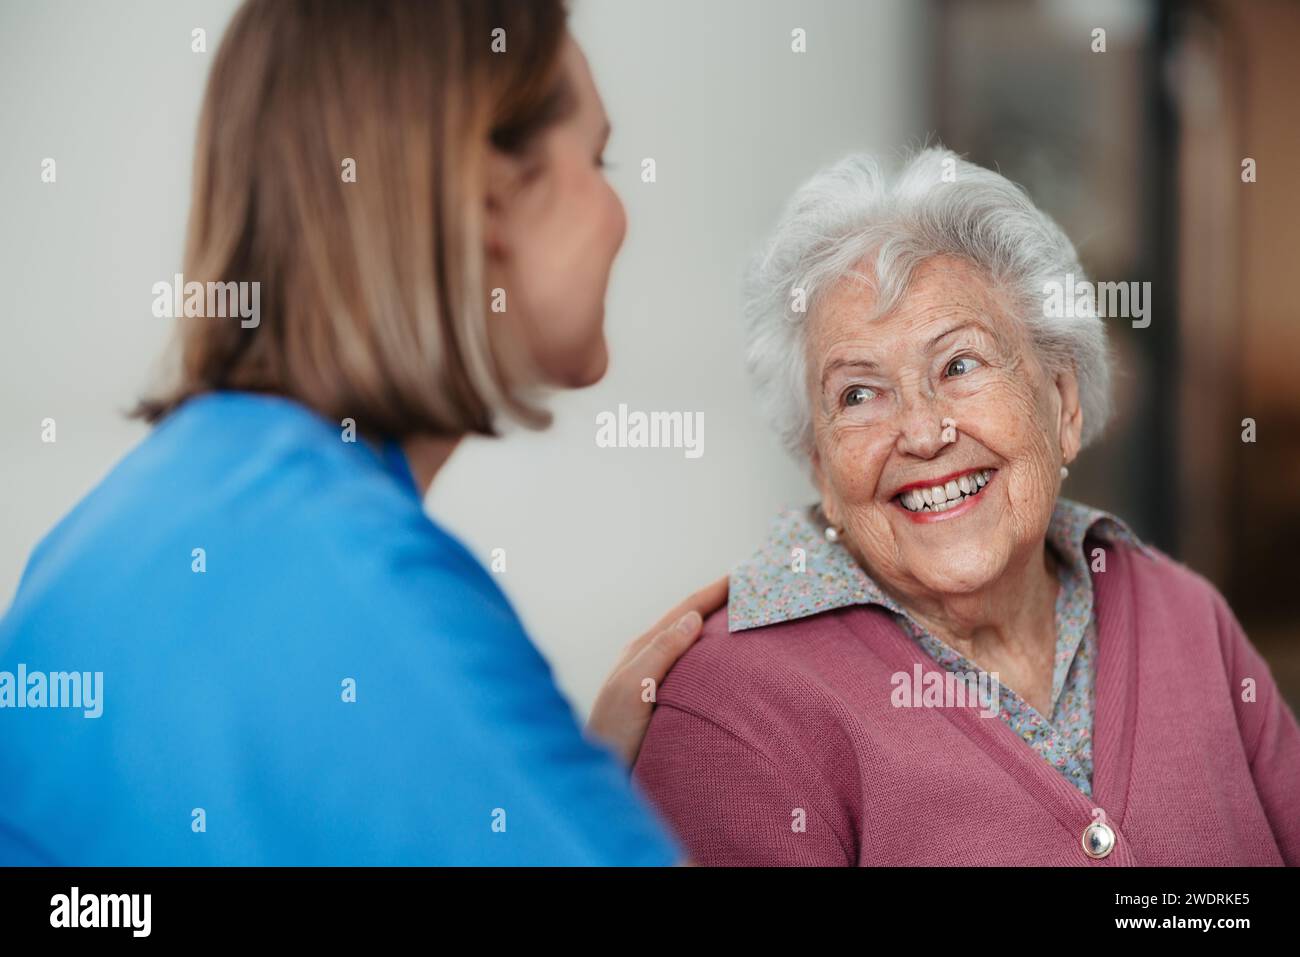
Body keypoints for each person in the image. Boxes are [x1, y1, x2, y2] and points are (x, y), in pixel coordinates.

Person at [0, 0, 721, 866]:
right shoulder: (363, 587)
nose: (618, 212)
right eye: (597, 158)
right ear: (483, 188)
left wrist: (547, 781)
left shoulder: (101, 535)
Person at [633, 148, 1300, 866]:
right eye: (858, 394)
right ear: (822, 469)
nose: (922, 432)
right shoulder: (731, 710)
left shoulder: (1184, 615)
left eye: (959, 364)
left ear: (1062, 402)